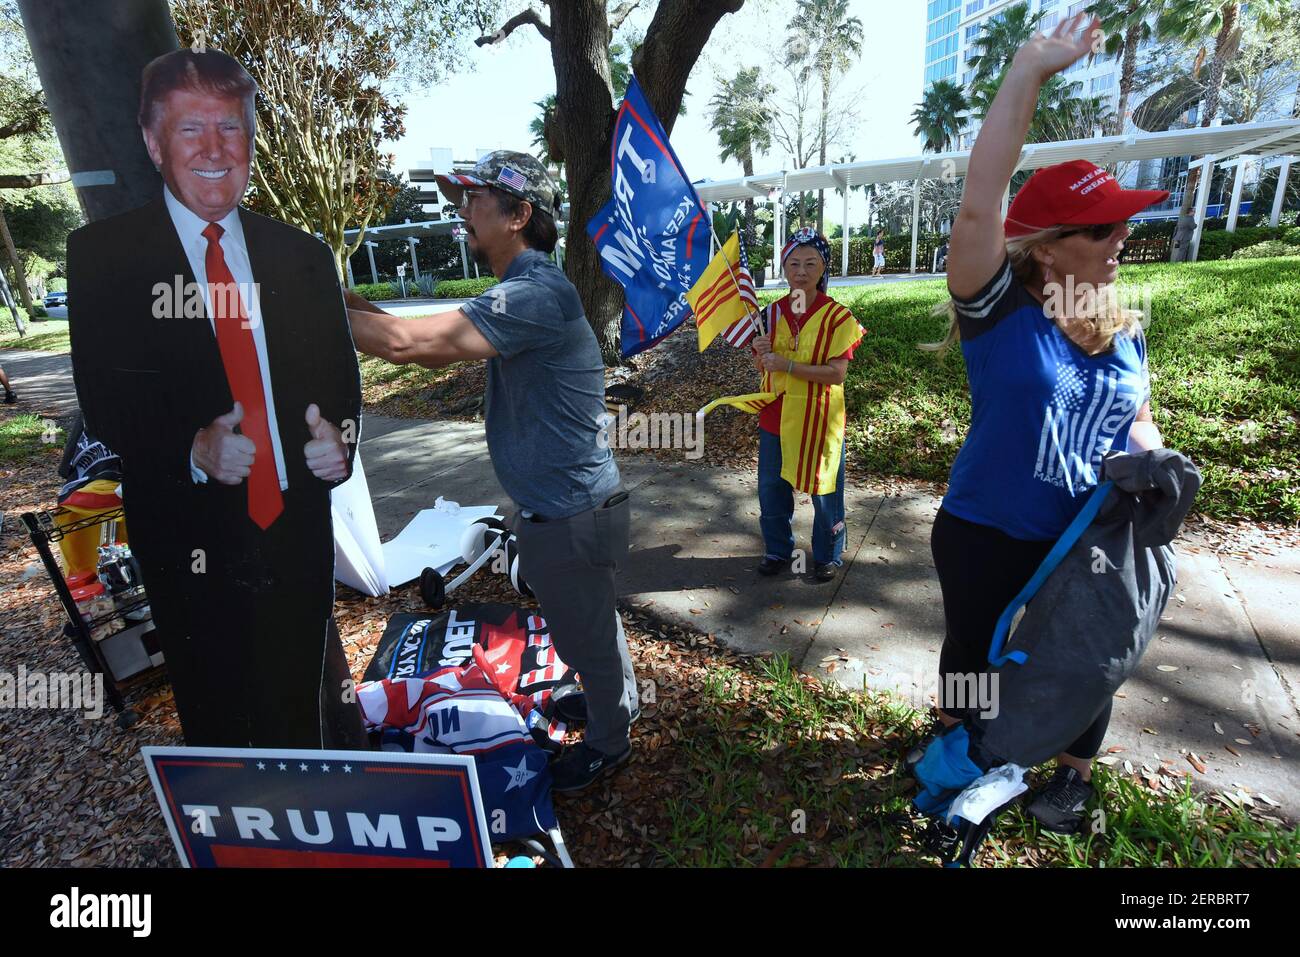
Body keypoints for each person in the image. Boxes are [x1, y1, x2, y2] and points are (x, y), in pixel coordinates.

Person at [67, 48, 367, 749]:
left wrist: (341, 439)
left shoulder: (302, 256)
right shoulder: (103, 257)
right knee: (220, 720)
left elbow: (339, 383)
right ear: (153, 142)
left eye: (230, 128)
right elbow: (104, 396)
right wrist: (193, 445)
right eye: (190, 129)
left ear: (251, 139)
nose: (213, 148)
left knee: (302, 710)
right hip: (187, 536)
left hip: (293, 531)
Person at [917, 11, 1167, 833]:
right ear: (1052, 246)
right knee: (973, 654)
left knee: (1089, 660)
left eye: (1126, 220)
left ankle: (1071, 778)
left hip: (1083, 538)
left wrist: (1152, 460)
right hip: (987, 528)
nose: (1124, 236)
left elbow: (1134, 419)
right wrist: (1027, 68)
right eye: (1104, 227)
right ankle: (959, 738)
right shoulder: (998, 313)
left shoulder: (1124, 326)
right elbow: (978, 207)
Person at [344, 150, 637, 793]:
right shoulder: (522, 294)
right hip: (566, 507)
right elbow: (415, 344)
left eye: (475, 200)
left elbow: (408, 346)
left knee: (585, 633)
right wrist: (341, 296)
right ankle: (615, 705)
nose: (463, 212)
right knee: (586, 623)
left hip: (572, 513)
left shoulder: (535, 296)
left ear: (518, 215)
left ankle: (610, 743)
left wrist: (305, 305)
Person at [749, 228, 863, 583]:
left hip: (820, 418)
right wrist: (762, 355)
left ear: (823, 268)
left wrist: (788, 366)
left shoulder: (838, 317)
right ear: (783, 268)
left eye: (810, 263)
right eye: (793, 263)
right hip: (775, 417)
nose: (801, 271)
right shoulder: (770, 314)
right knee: (771, 488)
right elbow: (762, 366)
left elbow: (836, 374)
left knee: (824, 489)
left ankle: (827, 554)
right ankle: (777, 549)